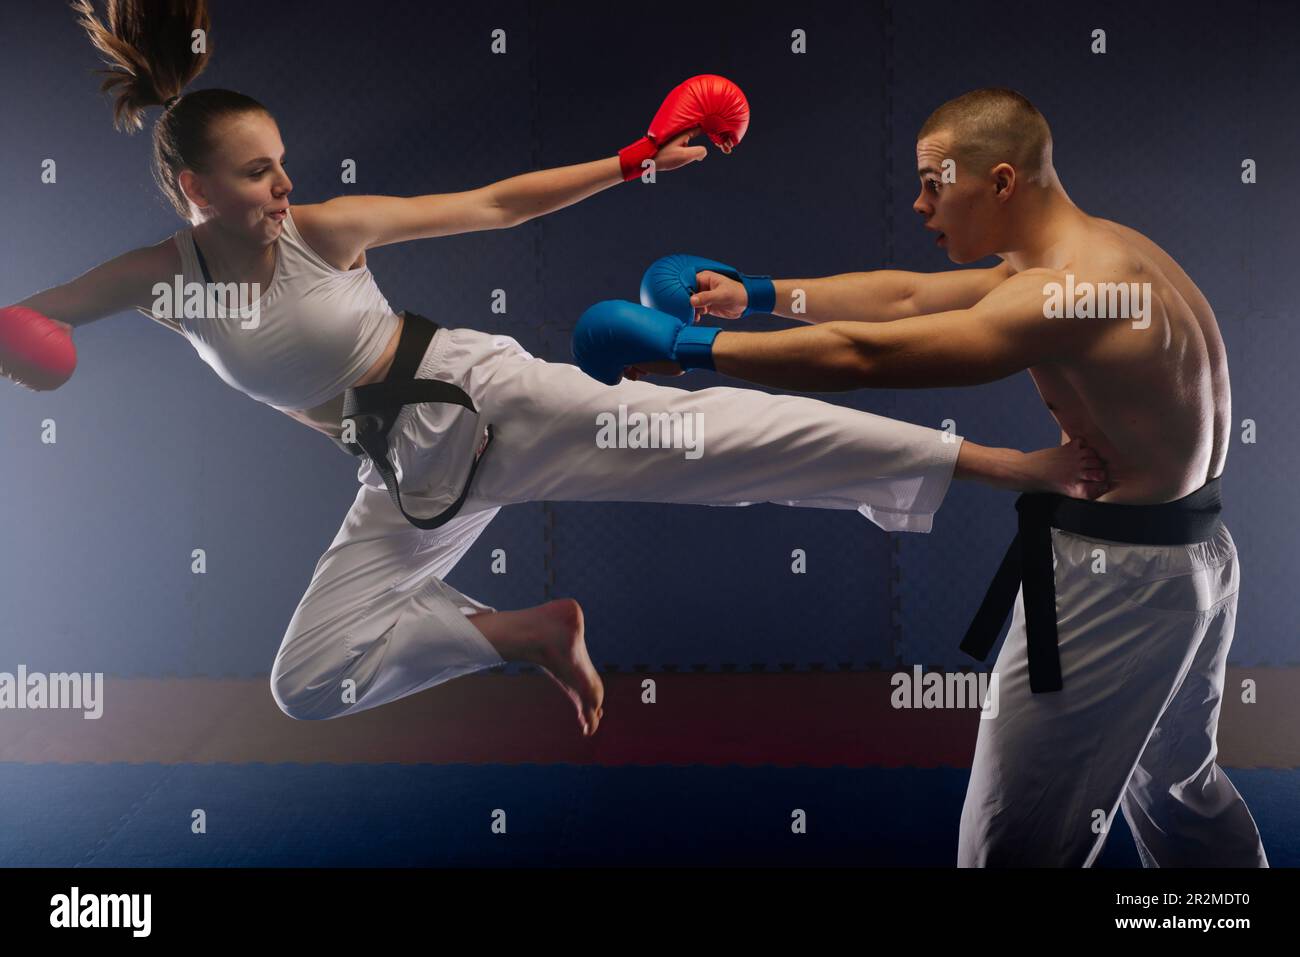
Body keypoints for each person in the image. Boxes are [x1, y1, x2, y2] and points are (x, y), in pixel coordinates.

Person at [2, 5, 1104, 742]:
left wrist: (631, 161)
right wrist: (27, 345)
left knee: (724, 440)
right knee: (312, 679)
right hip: (405, 479)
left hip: (485, 399)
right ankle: (529, 633)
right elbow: (31, 318)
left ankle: (1006, 463)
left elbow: (492, 202)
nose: (283, 185)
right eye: (255, 173)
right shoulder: (156, 281)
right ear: (193, 189)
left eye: (283, 161)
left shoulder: (325, 231)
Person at [578, 87, 1267, 866]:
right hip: (1194, 555)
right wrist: (757, 297)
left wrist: (689, 351)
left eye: (935, 184)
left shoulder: (1067, 293)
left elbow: (871, 356)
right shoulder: (1099, 255)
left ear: (1001, 181)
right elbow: (905, 296)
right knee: (1180, 790)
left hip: (1121, 582)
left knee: (1008, 840)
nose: (919, 203)